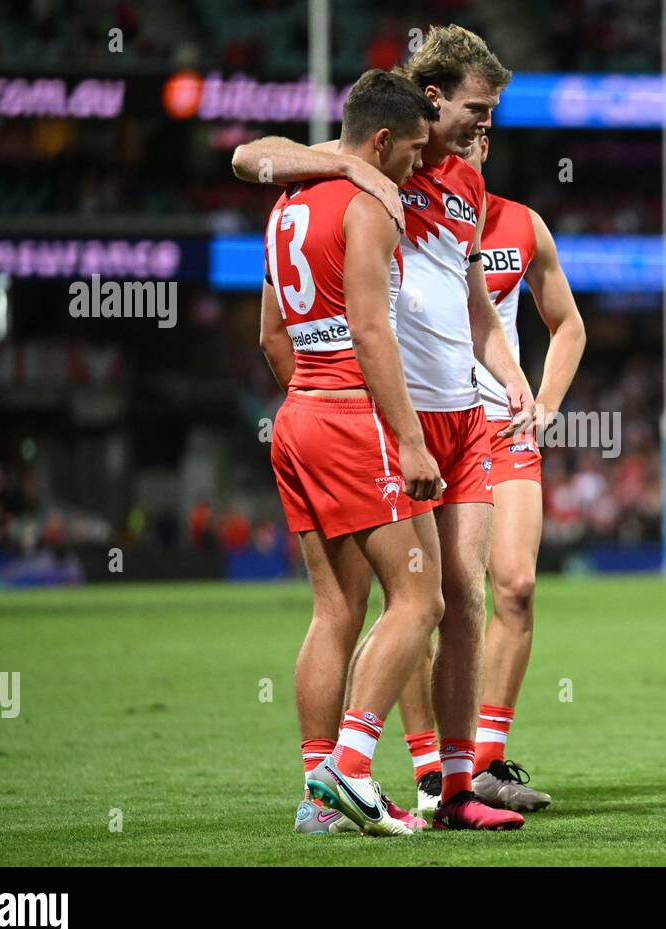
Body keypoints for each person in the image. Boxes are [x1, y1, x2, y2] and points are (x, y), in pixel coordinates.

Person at [236, 25, 533, 830]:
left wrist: (510, 378)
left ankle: (450, 788)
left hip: (460, 415)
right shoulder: (373, 179)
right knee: (415, 598)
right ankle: (362, 773)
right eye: (476, 108)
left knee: (454, 599)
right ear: (427, 105)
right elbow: (248, 156)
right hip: (389, 419)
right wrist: (349, 414)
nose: (486, 126)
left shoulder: (461, 183)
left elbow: (474, 303)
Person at [258, 68, 444, 836]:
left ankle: (315, 797)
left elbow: (271, 335)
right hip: (349, 419)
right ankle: (354, 769)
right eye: (411, 151)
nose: (417, 166)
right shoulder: (370, 204)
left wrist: (311, 403)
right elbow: (371, 332)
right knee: (421, 599)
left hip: (297, 417)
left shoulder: (286, 204)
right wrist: (404, 439)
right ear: (379, 140)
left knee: (334, 610)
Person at [397, 133, 586, 814]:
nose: (477, 140)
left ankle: (483, 761)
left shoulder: (521, 222)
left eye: (487, 129)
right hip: (425, 417)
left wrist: (546, 404)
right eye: (465, 126)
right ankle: (428, 766)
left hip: (501, 421)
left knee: (517, 584)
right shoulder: (399, 204)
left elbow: (568, 324)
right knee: (427, 598)